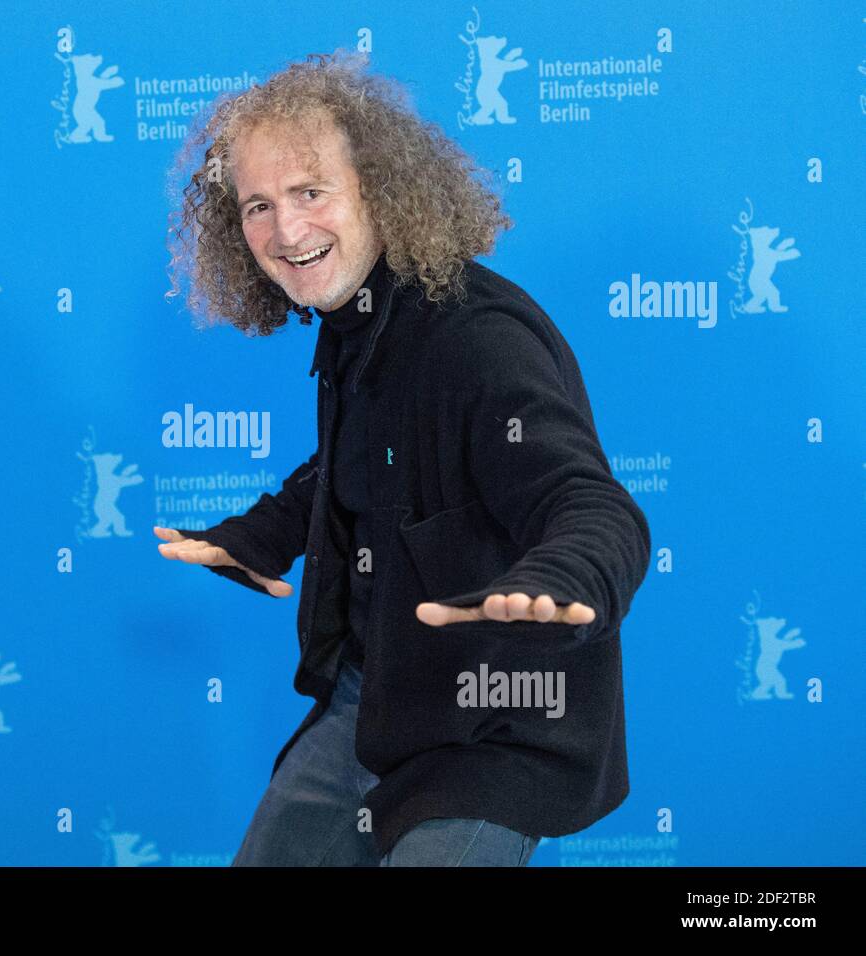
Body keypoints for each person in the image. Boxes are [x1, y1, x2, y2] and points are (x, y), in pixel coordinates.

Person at [155, 50, 651, 866]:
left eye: (310, 192)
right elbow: (359, 465)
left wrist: (558, 582)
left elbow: (593, 506)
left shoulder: (476, 339)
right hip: (377, 696)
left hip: (490, 723)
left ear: (378, 189)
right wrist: (260, 533)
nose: (285, 231)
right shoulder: (360, 321)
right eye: (257, 205)